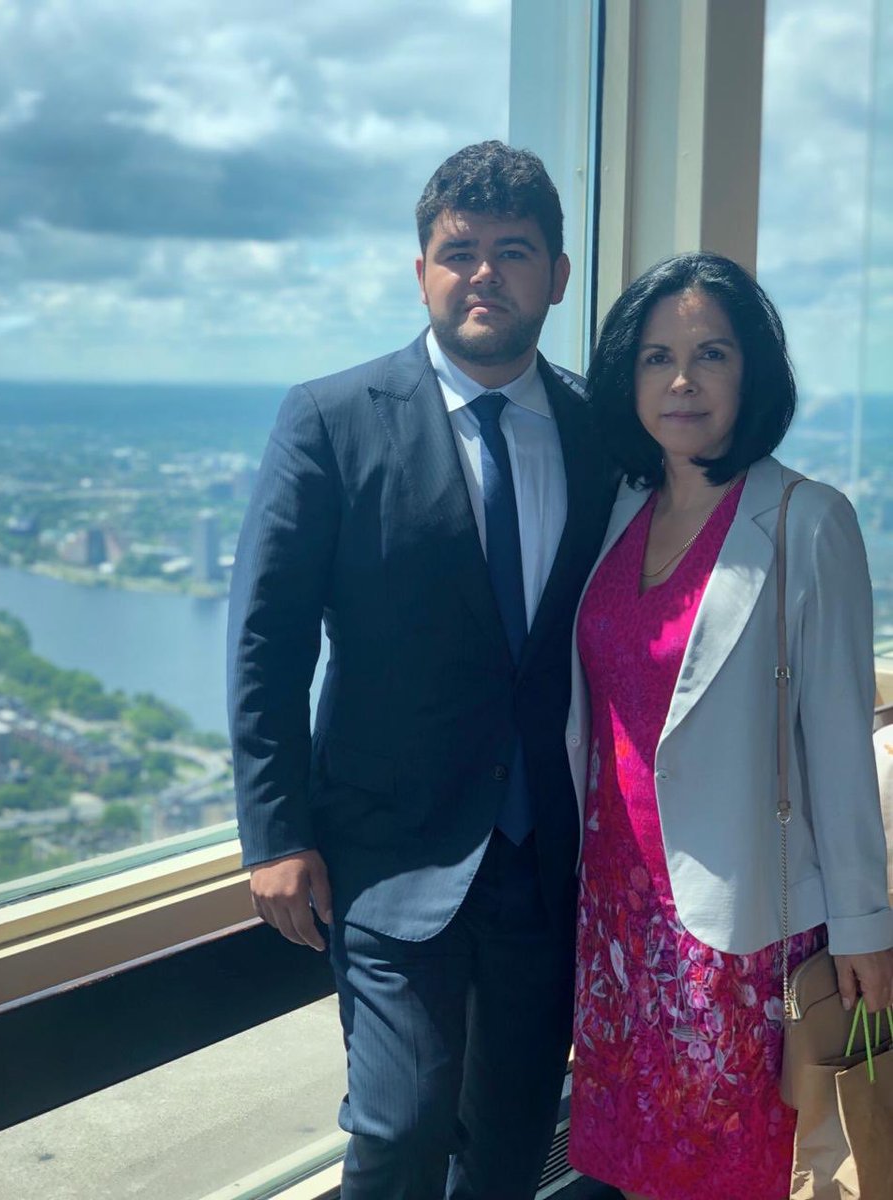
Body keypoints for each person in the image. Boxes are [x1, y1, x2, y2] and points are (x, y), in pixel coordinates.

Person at [227, 141, 617, 1200]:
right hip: (388, 855)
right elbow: (268, 638)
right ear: (422, 274)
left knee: (513, 1137)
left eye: (513, 251)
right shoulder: (331, 421)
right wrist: (276, 832)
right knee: (397, 1129)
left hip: (546, 863)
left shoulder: (598, 432)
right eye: (459, 253)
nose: (483, 273)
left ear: (557, 277)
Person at [565, 251, 893, 1200]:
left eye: (710, 354)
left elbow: (837, 745)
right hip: (618, 914)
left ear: (753, 374)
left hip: (738, 932)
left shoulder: (806, 522)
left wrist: (868, 930)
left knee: (736, 1169)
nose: (680, 380)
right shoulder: (618, 511)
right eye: (655, 356)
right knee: (636, 1165)